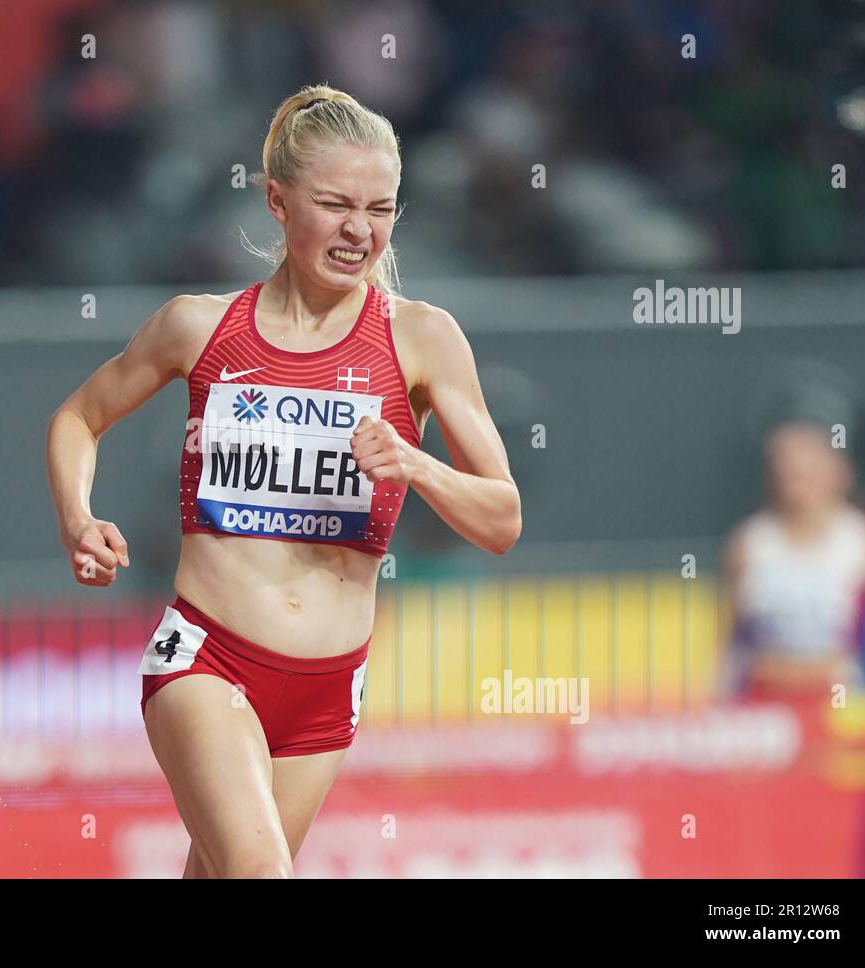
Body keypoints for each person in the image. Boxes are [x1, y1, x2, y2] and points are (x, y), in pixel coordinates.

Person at [46, 85, 521, 878]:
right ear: (277, 201)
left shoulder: (424, 340)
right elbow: (77, 418)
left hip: (328, 691)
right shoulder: (199, 327)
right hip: (208, 659)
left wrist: (417, 463)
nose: (359, 230)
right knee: (262, 873)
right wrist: (76, 518)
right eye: (335, 204)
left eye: (381, 208)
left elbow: (502, 519)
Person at [720, 419, 865, 701]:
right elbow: (729, 642)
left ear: (838, 471)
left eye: (808, 469)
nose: (796, 479)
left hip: (833, 696)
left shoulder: (864, 540)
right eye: (787, 470)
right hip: (764, 697)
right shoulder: (750, 543)